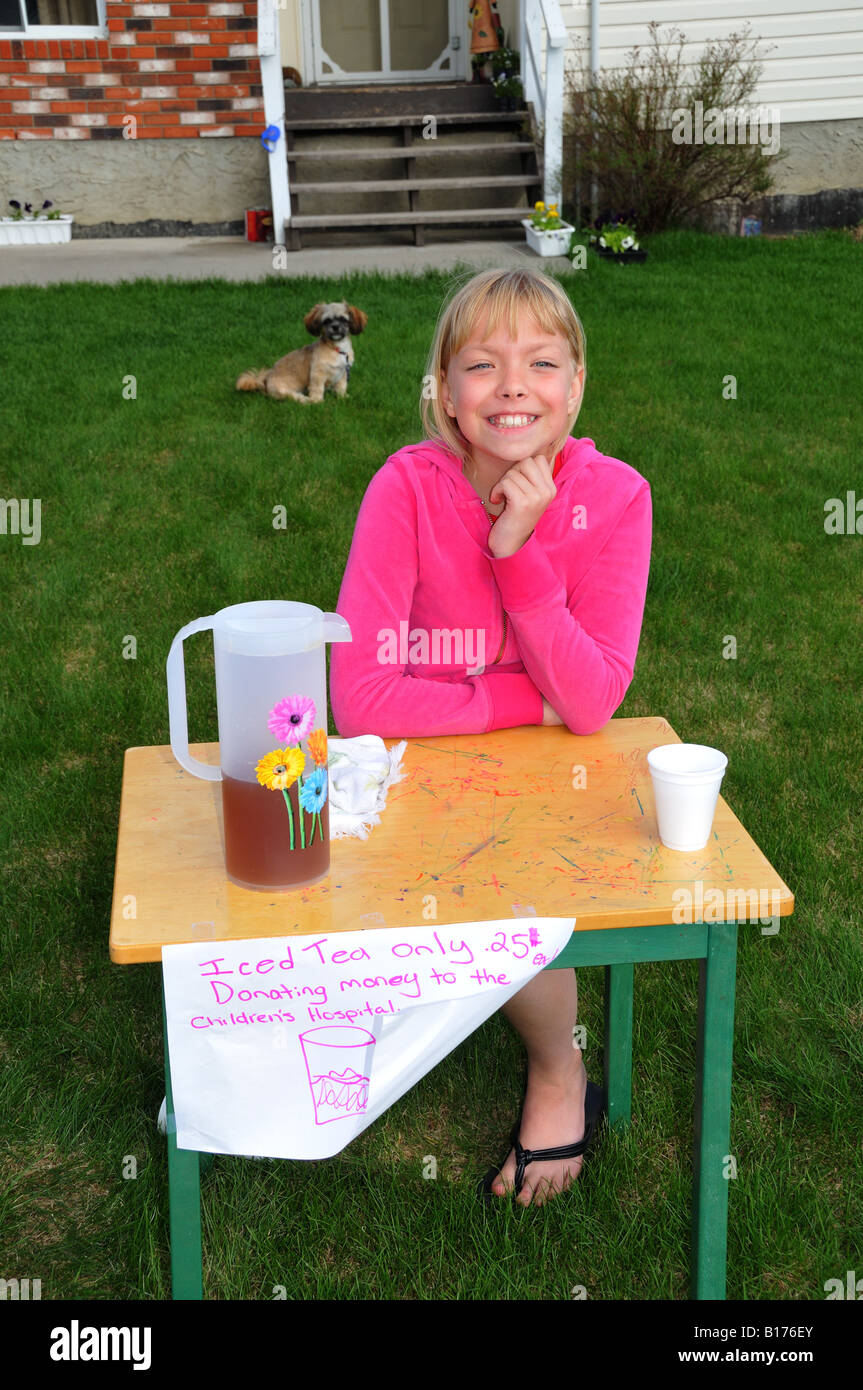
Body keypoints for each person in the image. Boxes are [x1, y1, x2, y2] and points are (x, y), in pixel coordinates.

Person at [329, 266, 652, 1206]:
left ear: (575, 386)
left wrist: (518, 554)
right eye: (482, 363)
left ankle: (558, 1070)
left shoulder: (615, 497)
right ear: (444, 390)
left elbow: (590, 699)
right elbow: (361, 697)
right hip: (415, 771)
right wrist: (522, 701)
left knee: (515, 881)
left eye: (541, 362)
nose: (513, 386)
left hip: (552, 778)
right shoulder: (407, 488)